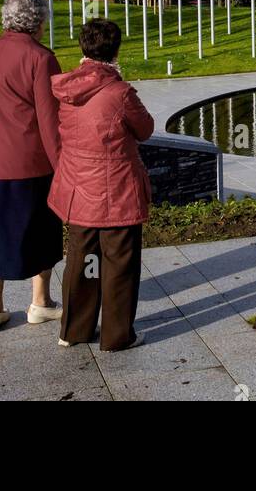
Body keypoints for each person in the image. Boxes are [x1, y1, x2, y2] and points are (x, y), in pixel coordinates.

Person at [0, 0, 64, 334]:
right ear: (38, 23)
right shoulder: (41, 58)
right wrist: (62, 164)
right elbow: (50, 119)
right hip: (27, 163)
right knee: (42, 232)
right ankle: (41, 303)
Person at [49, 19, 154, 351]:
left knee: (82, 260)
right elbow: (146, 128)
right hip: (117, 189)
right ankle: (116, 335)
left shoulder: (66, 88)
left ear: (83, 48)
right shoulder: (120, 93)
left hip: (79, 188)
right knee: (119, 262)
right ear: (116, 49)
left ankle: (74, 330)